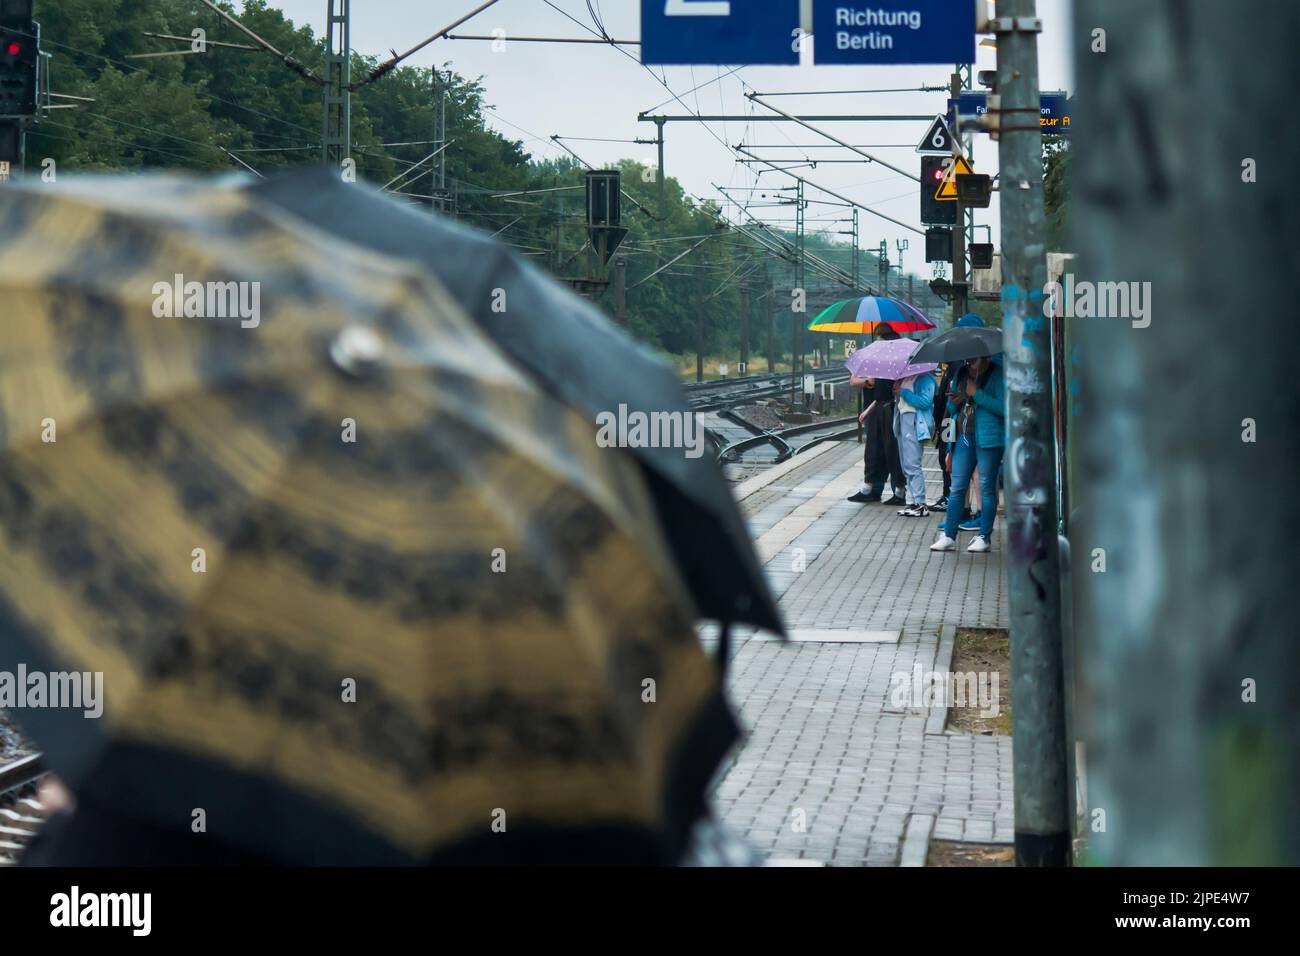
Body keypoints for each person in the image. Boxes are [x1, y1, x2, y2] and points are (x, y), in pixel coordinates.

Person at [931, 352, 1006, 554]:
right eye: (967, 356)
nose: (969, 359)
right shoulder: (961, 373)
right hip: (964, 436)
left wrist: (976, 394)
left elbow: (1004, 408)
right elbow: (951, 409)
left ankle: (984, 536)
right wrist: (955, 401)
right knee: (957, 487)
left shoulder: (997, 373)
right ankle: (948, 534)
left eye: (973, 356)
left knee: (986, 486)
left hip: (989, 439)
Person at [930, 313, 985, 512]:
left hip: (960, 420)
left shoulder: (972, 362)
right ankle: (950, 497)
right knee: (946, 455)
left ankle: (953, 499)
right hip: (949, 416)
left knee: (955, 460)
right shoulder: (957, 361)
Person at [846, 325, 906, 504]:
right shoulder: (872, 359)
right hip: (876, 410)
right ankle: (873, 489)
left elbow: (886, 395)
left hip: (891, 410)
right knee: (874, 451)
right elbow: (853, 380)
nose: (878, 342)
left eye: (881, 338)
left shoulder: (897, 362)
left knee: (892, 451)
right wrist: (867, 381)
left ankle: (899, 491)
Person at [892, 366, 936, 516]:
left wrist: (903, 392)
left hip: (915, 421)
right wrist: (897, 391)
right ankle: (914, 501)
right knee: (906, 464)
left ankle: (920, 503)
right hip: (903, 420)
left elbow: (925, 402)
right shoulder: (905, 377)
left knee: (912, 463)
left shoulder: (925, 379)